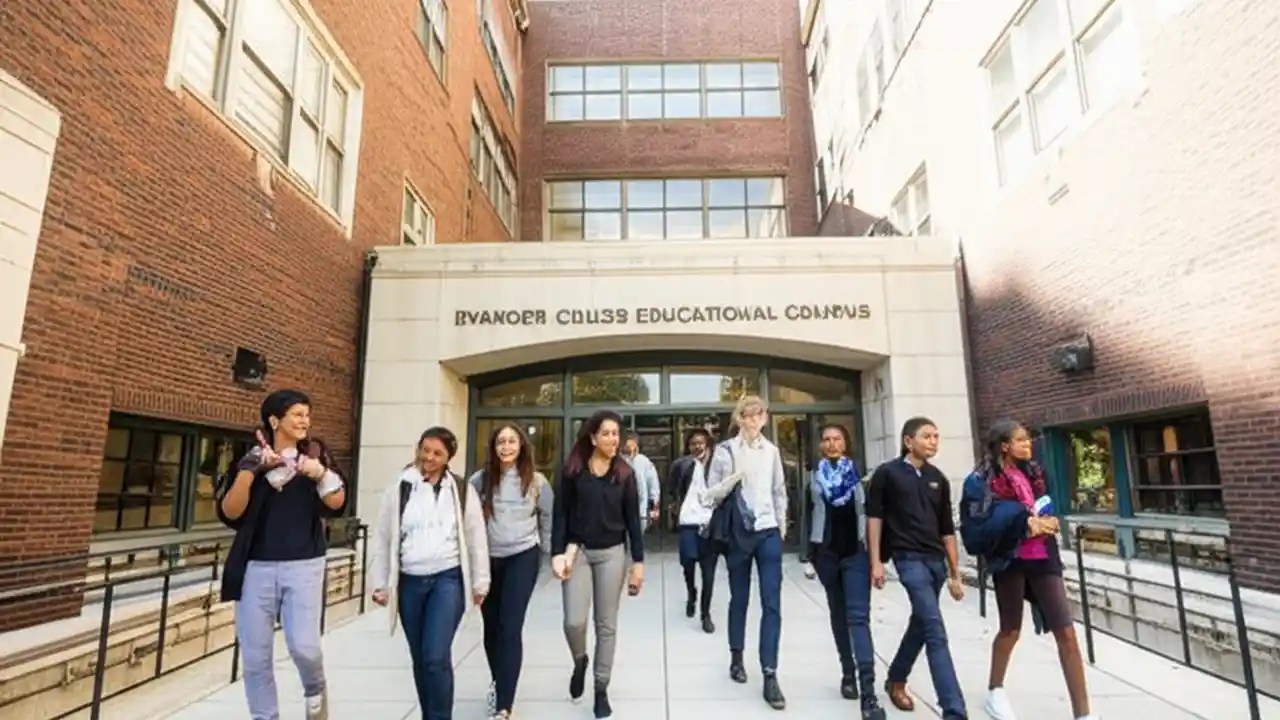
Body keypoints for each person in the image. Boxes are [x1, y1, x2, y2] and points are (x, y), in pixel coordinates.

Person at [217, 389, 348, 720]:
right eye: (297, 414)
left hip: (303, 564)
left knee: (305, 646)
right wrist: (250, 471)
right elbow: (232, 512)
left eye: (307, 414)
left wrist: (318, 473)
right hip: (255, 568)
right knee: (256, 657)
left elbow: (337, 503)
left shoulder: (315, 455)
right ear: (275, 421)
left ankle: (315, 688)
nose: (305, 420)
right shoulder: (249, 459)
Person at [960, 420, 1094, 720]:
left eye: (1028, 439)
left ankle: (1083, 714)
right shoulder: (980, 480)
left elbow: (1040, 506)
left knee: (1066, 631)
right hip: (1010, 560)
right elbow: (978, 527)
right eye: (1020, 440)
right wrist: (1022, 520)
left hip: (1043, 555)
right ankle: (996, 689)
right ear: (1004, 445)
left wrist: (1046, 520)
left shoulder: (1033, 472)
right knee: (1010, 629)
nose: (1027, 444)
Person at [368, 427, 490, 720]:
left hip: (447, 580)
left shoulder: (460, 490)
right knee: (421, 659)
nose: (429, 458)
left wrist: (480, 581)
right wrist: (381, 582)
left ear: (449, 457)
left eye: (437, 453)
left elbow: (476, 537)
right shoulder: (400, 487)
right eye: (425, 450)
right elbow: (384, 537)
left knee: (436, 656)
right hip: (410, 581)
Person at [866, 417, 967, 719]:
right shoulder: (887, 474)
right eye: (927, 436)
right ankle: (954, 710)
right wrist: (876, 563)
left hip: (935, 563)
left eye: (936, 436)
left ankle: (896, 678)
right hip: (907, 560)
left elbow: (947, 529)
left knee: (922, 624)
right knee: (935, 630)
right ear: (909, 441)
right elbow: (874, 519)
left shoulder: (939, 478)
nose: (933, 441)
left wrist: (954, 573)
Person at [551, 410, 646, 719]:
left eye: (616, 434)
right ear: (592, 437)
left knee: (606, 625)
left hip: (612, 554)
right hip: (576, 552)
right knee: (573, 622)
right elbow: (560, 515)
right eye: (606, 434)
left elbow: (633, 521)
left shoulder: (625, 474)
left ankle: (601, 688)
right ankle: (580, 660)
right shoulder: (572, 471)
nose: (612, 439)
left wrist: (638, 563)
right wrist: (557, 552)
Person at [703, 395, 788, 710]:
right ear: (738, 419)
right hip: (738, 533)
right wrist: (732, 478)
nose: (752, 421)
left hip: (767, 532)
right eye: (746, 416)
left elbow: (779, 490)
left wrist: (781, 526)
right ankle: (736, 656)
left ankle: (770, 672)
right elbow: (710, 493)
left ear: (765, 418)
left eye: (758, 416)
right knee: (740, 598)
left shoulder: (772, 452)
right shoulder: (725, 451)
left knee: (772, 602)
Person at [469, 423, 554, 720]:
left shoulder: (537, 482)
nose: (506, 446)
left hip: (523, 557)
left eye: (511, 441)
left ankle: (505, 705)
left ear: (521, 446)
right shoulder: (479, 481)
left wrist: (545, 559)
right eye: (501, 442)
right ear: (494, 447)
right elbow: (468, 521)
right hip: (489, 560)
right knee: (491, 629)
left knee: (510, 627)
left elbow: (548, 521)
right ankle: (499, 681)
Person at [808, 423, 886, 719]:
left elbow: (874, 517)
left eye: (837, 439)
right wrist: (810, 555)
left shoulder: (861, 478)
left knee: (858, 617)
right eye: (826, 440)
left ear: (846, 442)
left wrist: (877, 558)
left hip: (856, 553)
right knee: (838, 615)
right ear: (820, 445)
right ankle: (847, 674)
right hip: (826, 554)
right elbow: (807, 514)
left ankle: (868, 691)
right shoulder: (813, 478)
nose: (831, 444)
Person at [670, 428, 720, 633]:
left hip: (710, 524)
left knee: (708, 573)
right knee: (688, 564)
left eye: (701, 442)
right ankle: (692, 593)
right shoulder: (681, 465)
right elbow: (673, 490)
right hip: (688, 523)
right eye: (693, 443)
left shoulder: (717, 466)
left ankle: (705, 614)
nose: (697, 446)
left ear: (708, 444)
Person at [622, 430, 661, 532]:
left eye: (632, 444)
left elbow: (653, 485)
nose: (629, 447)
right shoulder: (616, 460)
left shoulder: (643, 462)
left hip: (640, 511)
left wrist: (654, 508)